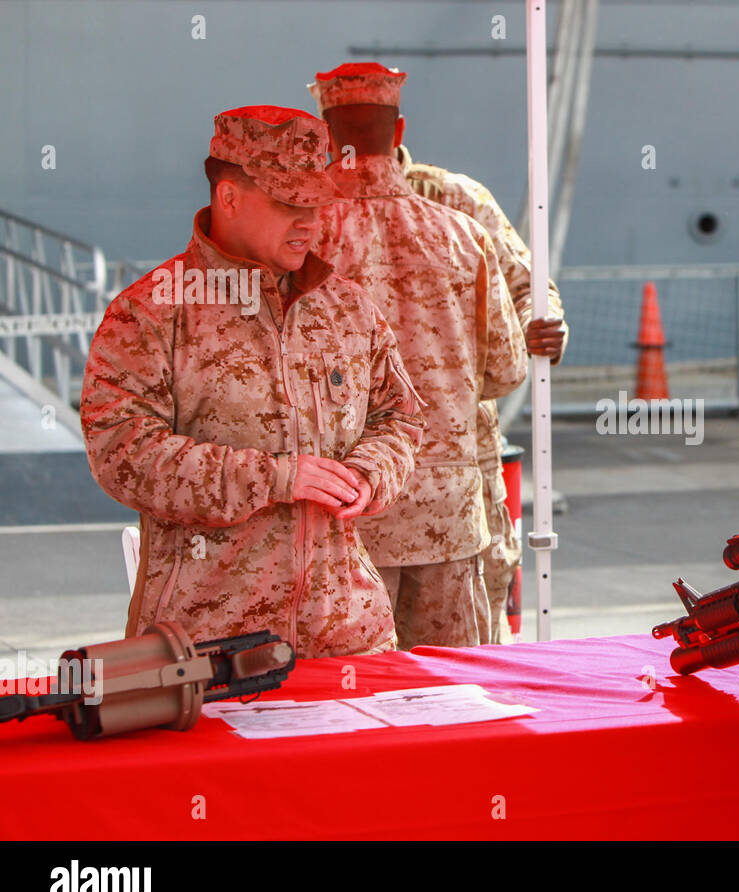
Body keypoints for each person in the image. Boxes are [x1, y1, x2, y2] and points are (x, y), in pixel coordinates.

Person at [81, 106, 425, 658]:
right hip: (210, 648)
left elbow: (400, 416)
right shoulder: (151, 312)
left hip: (346, 639)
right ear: (230, 198)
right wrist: (274, 478)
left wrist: (369, 473)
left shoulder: (345, 306)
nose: (310, 222)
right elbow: (121, 453)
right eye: (290, 203)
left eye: (316, 203)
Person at [310, 63, 528, 649]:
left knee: (350, 700)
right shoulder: (462, 233)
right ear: (399, 129)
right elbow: (507, 371)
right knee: (456, 691)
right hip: (449, 516)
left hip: (348, 512)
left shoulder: (301, 239)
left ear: (324, 136)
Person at [392, 97, 569, 645]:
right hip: (360, 485)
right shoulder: (316, 209)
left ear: (395, 128)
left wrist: (543, 325)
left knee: (471, 640)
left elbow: (527, 286)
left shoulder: (453, 198)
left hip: (459, 467)